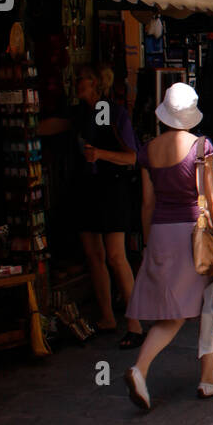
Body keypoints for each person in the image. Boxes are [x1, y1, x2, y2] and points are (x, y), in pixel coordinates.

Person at [123, 83, 213, 412]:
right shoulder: (200, 146)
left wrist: (150, 242)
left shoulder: (149, 149)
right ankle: (200, 376)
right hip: (195, 235)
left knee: (175, 312)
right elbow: (212, 199)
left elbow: (147, 203)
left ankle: (148, 369)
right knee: (207, 304)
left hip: (162, 232)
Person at [72, 64, 143, 349]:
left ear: (96, 84)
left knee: (116, 256)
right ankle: (106, 317)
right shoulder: (79, 112)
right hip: (87, 189)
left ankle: (135, 323)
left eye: (82, 79)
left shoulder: (112, 112)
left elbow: (131, 157)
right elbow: (60, 125)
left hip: (112, 188)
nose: (77, 84)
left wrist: (100, 154)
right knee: (94, 255)